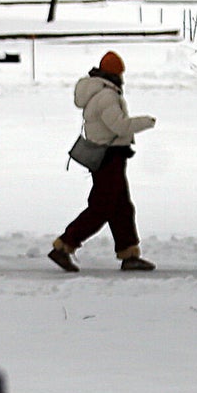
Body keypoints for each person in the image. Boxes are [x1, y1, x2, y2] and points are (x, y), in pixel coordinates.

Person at [50, 51, 157, 273]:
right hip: (109, 157)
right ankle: (65, 245)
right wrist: (146, 122)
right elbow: (119, 126)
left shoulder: (98, 92)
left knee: (121, 208)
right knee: (102, 208)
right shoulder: (107, 96)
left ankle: (129, 254)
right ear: (114, 73)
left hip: (109, 156)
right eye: (120, 72)